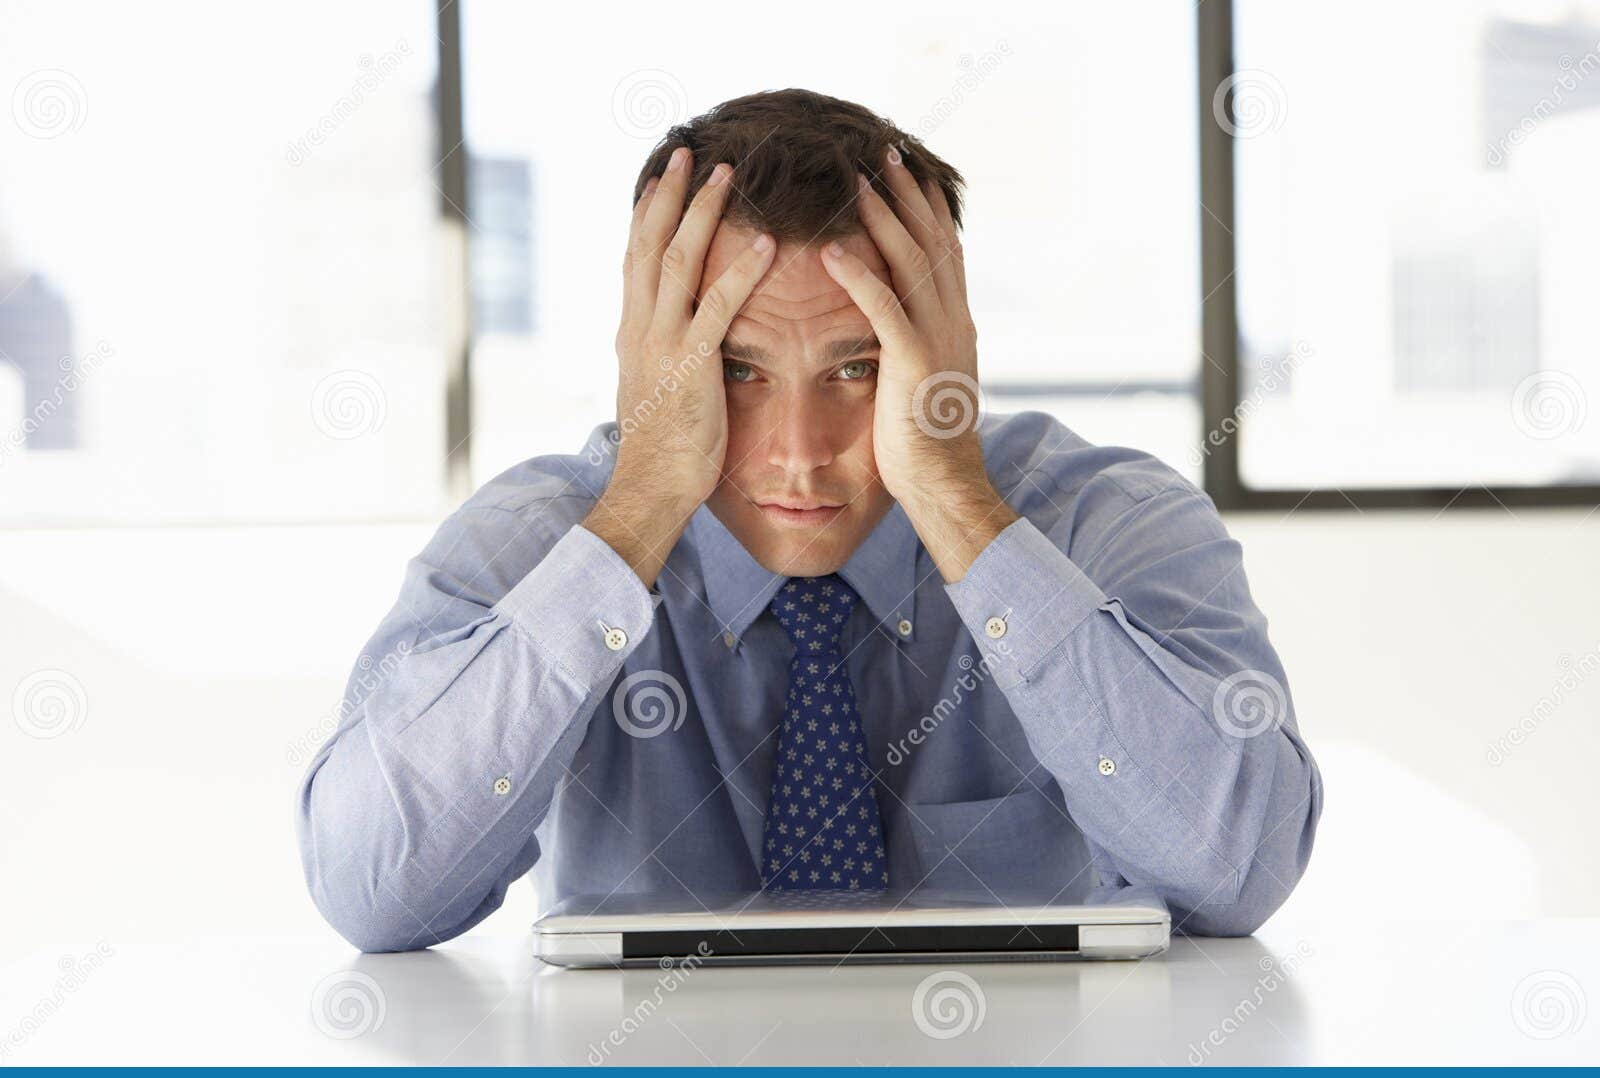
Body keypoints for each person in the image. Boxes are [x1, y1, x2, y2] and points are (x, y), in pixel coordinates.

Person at [295, 89, 1322, 953]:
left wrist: (962, 508)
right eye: (735, 370)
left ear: (945, 348)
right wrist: (642, 506)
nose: (797, 447)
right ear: (654, 355)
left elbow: (1241, 867)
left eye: (856, 367)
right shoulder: (542, 541)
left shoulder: (1104, 520)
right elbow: (372, 888)